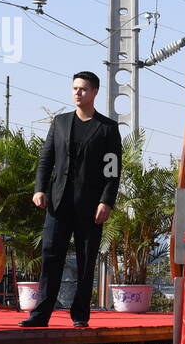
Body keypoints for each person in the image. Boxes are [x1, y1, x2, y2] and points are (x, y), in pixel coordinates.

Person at [20, 71, 122, 328]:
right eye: (75, 88)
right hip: (58, 203)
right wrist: (39, 189)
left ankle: (80, 316)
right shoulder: (61, 122)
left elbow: (112, 170)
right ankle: (40, 315)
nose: (78, 93)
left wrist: (106, 201)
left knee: (86, 262)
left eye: (84, 89)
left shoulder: (107, 128)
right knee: (51, 255)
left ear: (95, 92)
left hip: (90, 207)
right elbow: (46, 159)